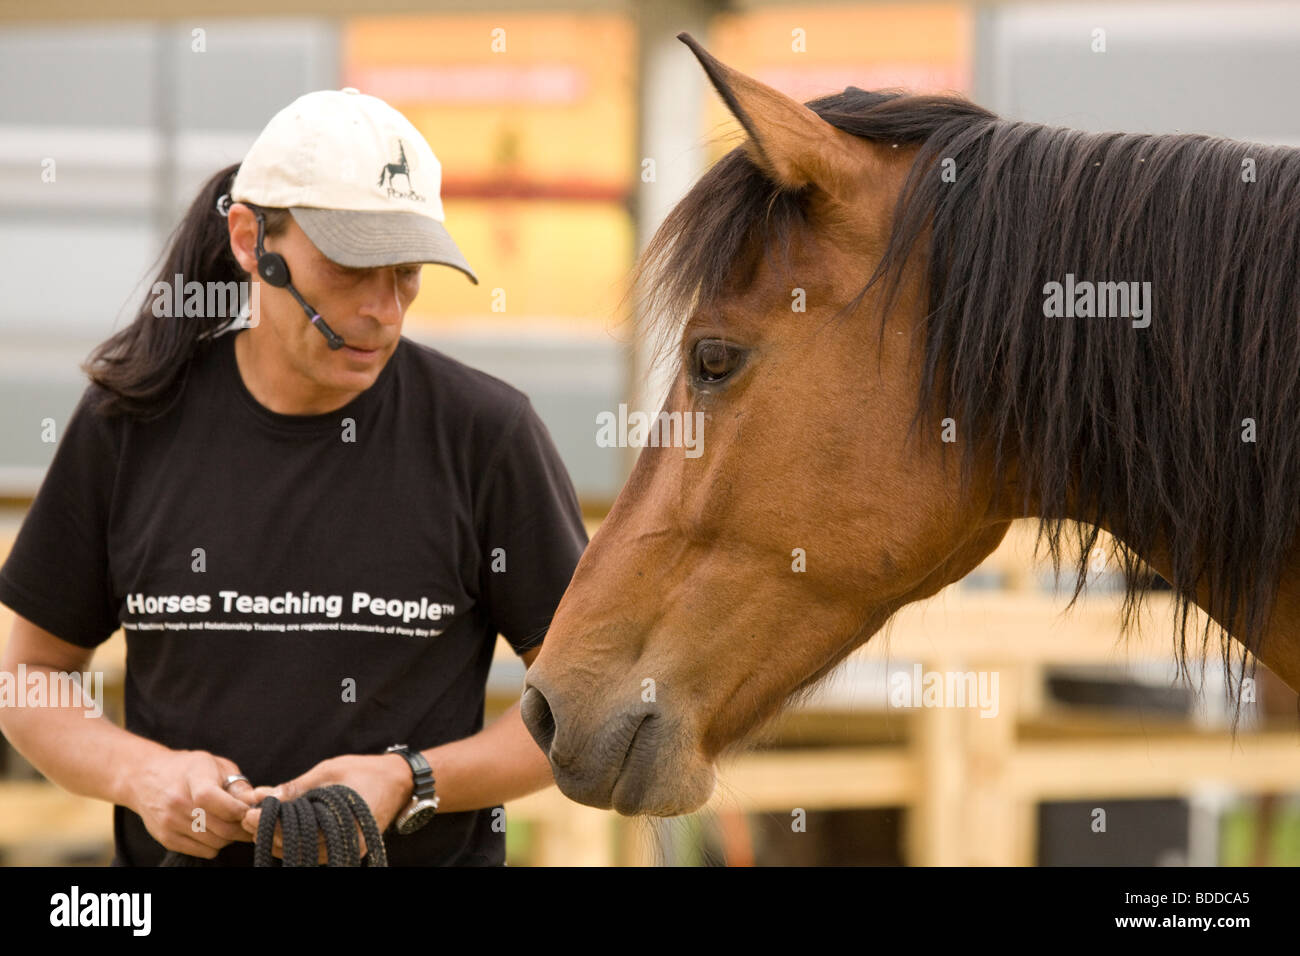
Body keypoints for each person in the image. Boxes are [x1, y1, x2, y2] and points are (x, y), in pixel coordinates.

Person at [0, 88, 588, 866]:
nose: (385, 309)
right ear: (250, 240)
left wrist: (409, 781)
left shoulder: (487, 436)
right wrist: (144, 776)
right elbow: (29, 680)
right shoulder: (126, 426)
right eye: (352, 266)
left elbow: (582, 711)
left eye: (407, 271)